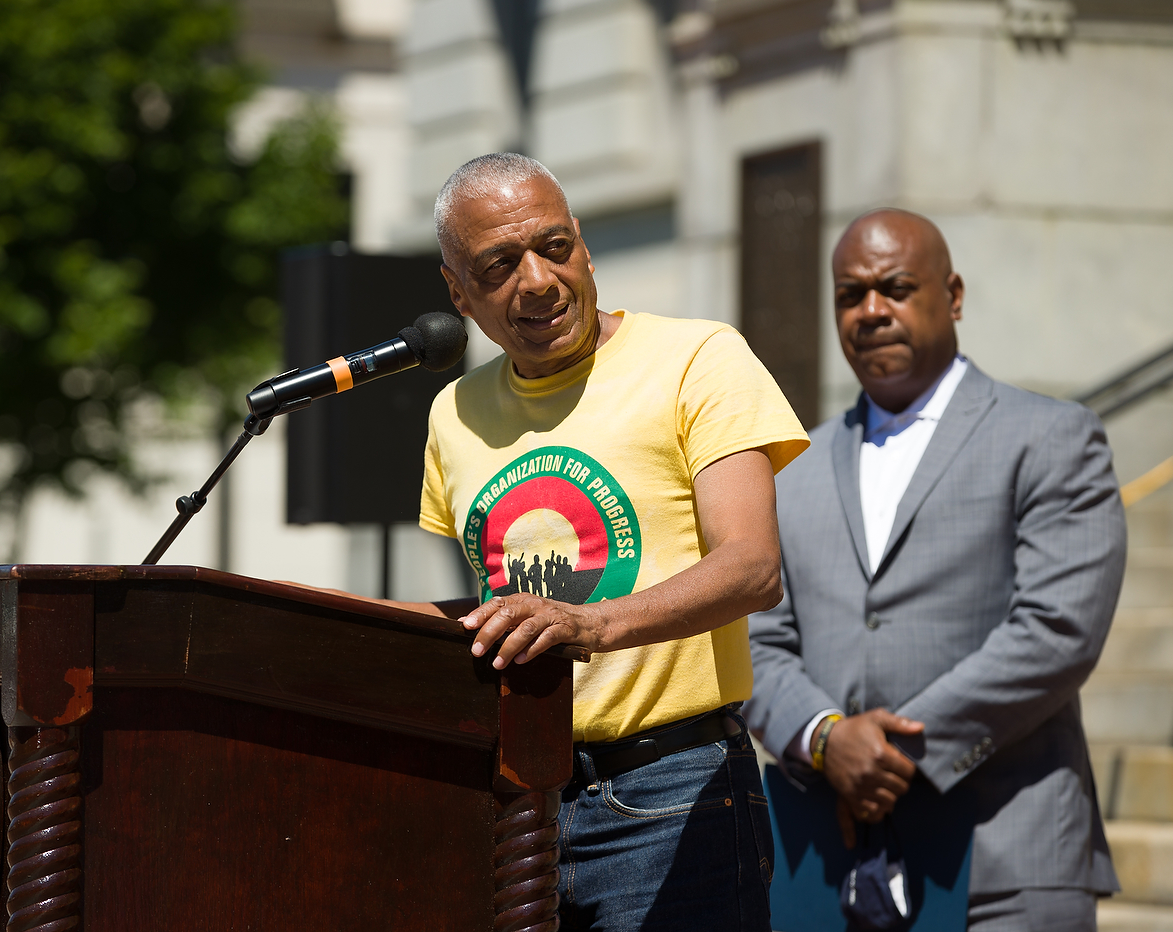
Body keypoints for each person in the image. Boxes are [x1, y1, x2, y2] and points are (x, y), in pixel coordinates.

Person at [419, 152, 809, 931]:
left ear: (585, 245)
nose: (536, 279)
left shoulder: (698, 358)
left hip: (669, 789)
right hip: (512, 801)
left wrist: (591, 625)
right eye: (499, 265)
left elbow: (754, 566)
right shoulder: (450, 414)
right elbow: (488, 612)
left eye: (554, 246)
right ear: (457, 292)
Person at [745, 209, 1126, 930]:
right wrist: (826, 738)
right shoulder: (790, 471)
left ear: (952, 295)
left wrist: (891, 753)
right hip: (830, 865)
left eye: (894, 287)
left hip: (1006, 860)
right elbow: (755, 641)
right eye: (850, 295)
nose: (871, 311)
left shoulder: (1050, 438)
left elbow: (1058, 630)